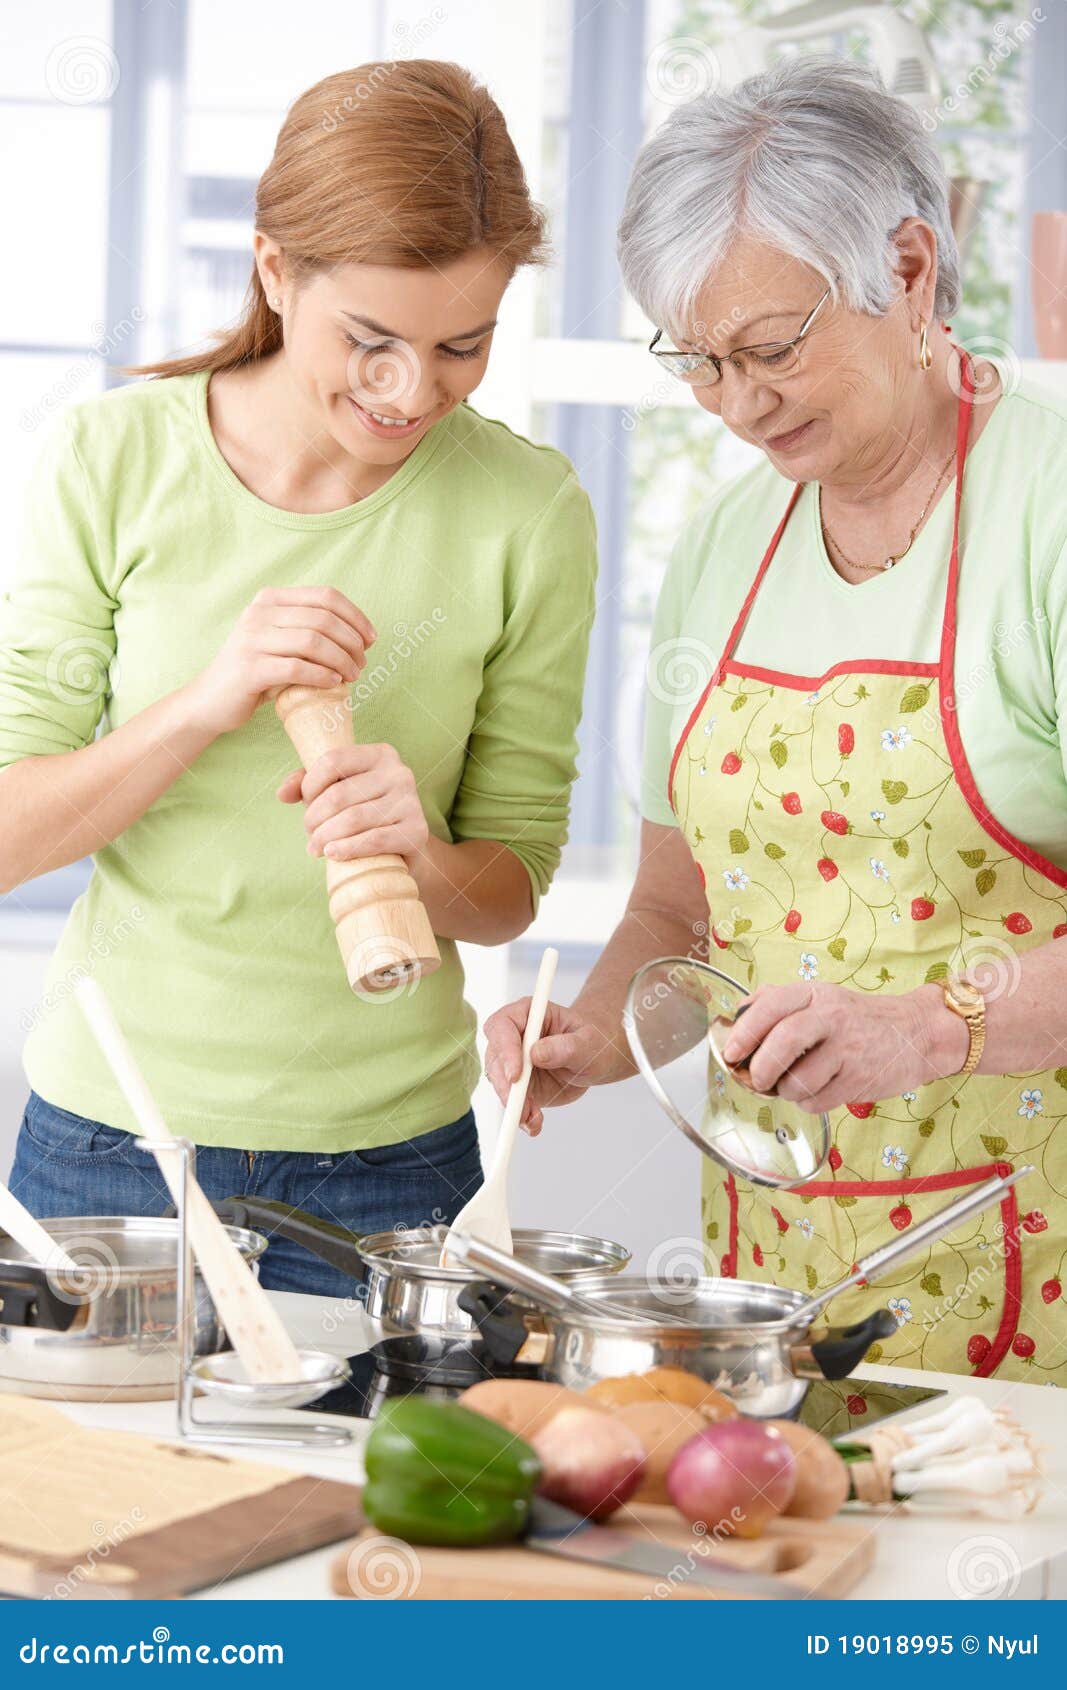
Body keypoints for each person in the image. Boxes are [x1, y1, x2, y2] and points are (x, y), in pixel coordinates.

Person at [485, 57, 1066, 1384]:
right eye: (697, 361)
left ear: (906, 269)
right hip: (775, 1283)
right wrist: (594, 1034)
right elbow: (675, 915)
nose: (738, 403)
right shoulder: (723, 547)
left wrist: (927, 1028)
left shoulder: (1045, 506)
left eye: (770, 347)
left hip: (1043, 1272)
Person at [1, 61, 596, 1295]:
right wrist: (203, 702)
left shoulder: (527, 511)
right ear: (274, 270)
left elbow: (509, 886)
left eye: (462, 346)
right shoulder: (111, 458)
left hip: (392, 1165)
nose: (409, 393)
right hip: (110, 1139)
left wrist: (420, 856)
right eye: (368, 342)